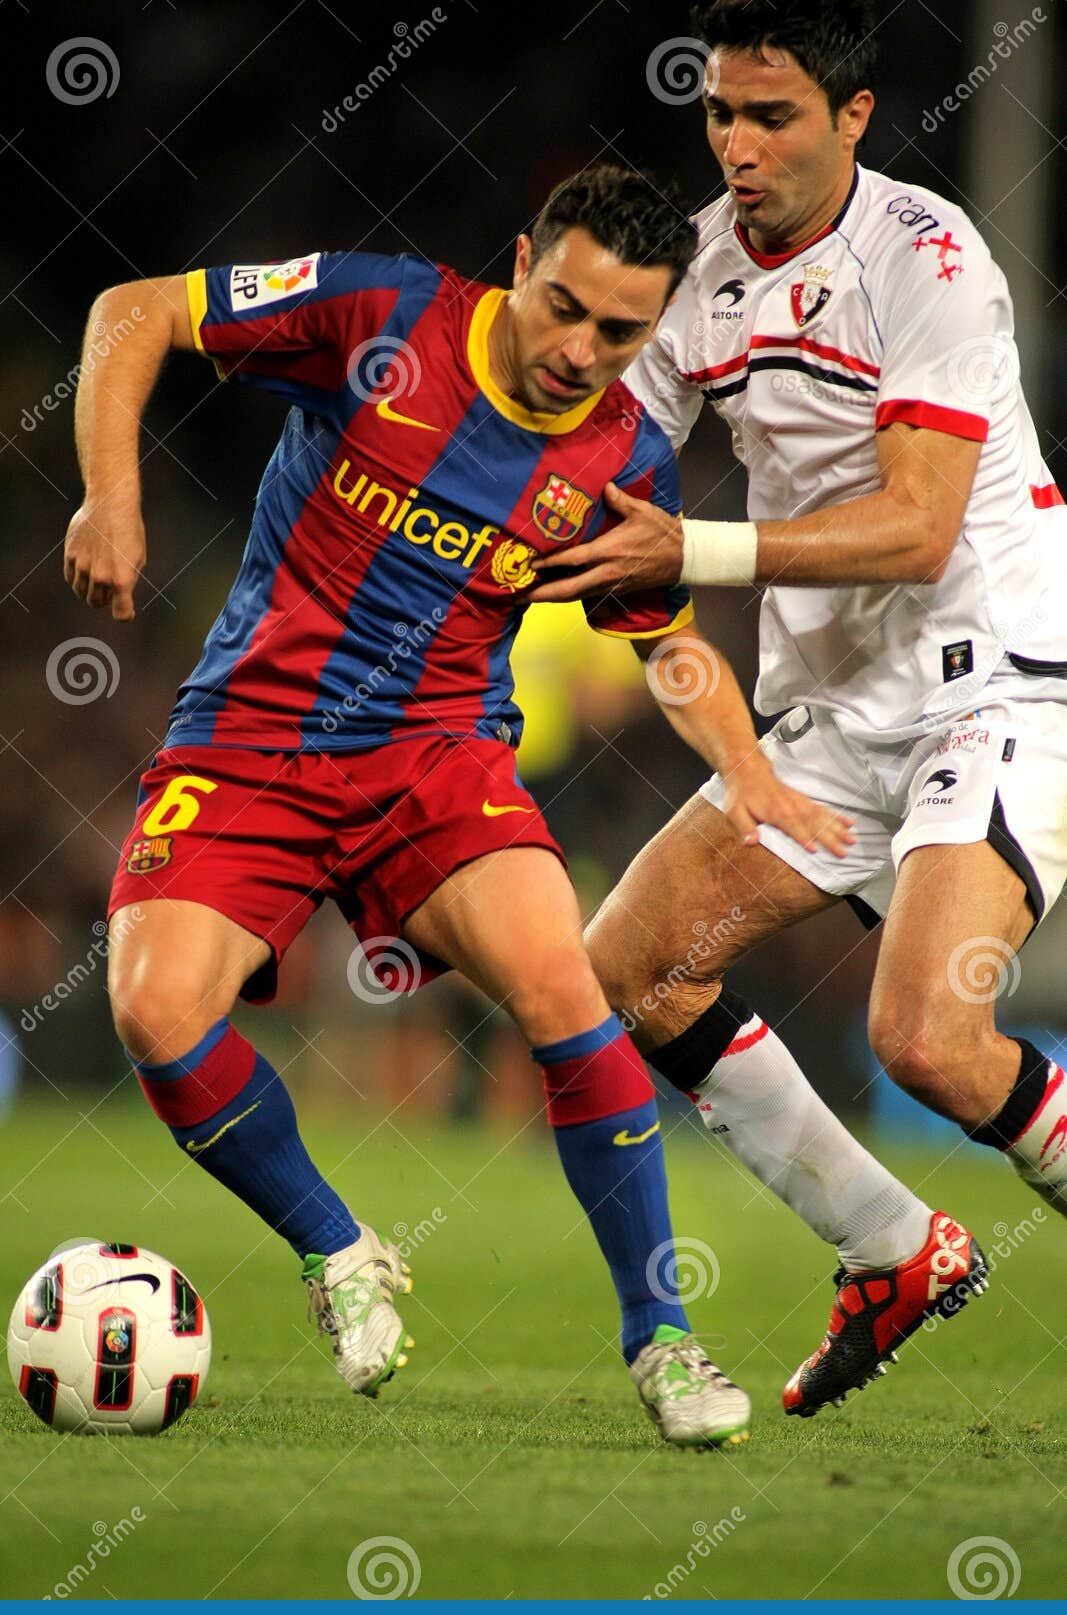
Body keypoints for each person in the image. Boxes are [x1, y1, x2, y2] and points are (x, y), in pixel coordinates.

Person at [62, 163, 853, 1447]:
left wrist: (751, 773)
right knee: (154, 1011)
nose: (580, 352)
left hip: (439, 759)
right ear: (521, 258)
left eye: (620, 334)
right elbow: (129, 308)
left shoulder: (617, 456)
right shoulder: (376, 316)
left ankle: (662, 1339)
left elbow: (664, 640)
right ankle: (339, 1249)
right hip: (255, 737)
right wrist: (111, 491)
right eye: (564, 308)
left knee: (565, 993)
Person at [528, 0, 1066, 1417]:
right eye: (718, 116)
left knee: (928, 1041)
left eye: (771, 118)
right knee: (630, 966)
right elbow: (593, 465)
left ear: (851, 117)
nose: (737, 147)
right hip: (829, 713)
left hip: (991, 679)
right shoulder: (693, 271)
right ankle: (890, 1248)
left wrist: (683, 550)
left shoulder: (926, 258)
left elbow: (910, 524)